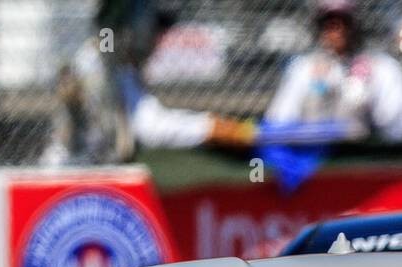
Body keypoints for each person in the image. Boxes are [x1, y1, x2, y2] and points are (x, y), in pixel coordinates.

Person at [43, 0, 255, 166]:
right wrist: (216, 128)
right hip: (70, 171)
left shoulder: (118, 64)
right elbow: (151, 126)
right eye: (154, 29)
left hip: (97, 172)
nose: (156, 40)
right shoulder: (97, 62)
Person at [264, 0, 402, 143]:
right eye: (329, 23)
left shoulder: (382, 67)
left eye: (343, 21)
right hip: (313, 160)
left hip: (363, 158)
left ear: (355, 24)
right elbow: (279, 118)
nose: (337, 30)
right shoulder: (303, 68)